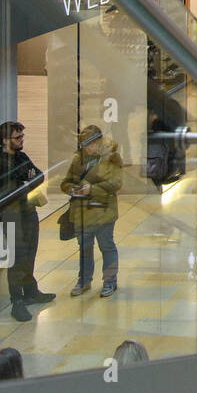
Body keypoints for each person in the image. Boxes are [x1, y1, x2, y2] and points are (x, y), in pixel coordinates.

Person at [0, 122, 54, 322]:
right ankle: (17, 300)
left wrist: (24, 180)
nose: (21, 140)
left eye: (22, 136)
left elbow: (39, 176)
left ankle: (30, 291)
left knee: (30, 251)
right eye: (18, 138)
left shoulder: (21, 157)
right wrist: (25, 179)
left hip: (28, 211)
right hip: (12, 214)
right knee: (17, 256)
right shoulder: (0, 161)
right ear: (6, 140)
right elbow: (2, 188)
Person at [61, 124, 123, 299]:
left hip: (104, 211)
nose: (87, 148)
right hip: (82, 212)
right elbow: (66, 182)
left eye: (90, 144)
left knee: (106, 245)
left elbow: (116, 184)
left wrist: (92, 189)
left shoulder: (111, 157)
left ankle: (110, 280)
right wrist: (73, 189)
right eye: (84, 144)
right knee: (84, 248)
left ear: (99, 141)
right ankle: (84, 280)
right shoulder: (78, 159)